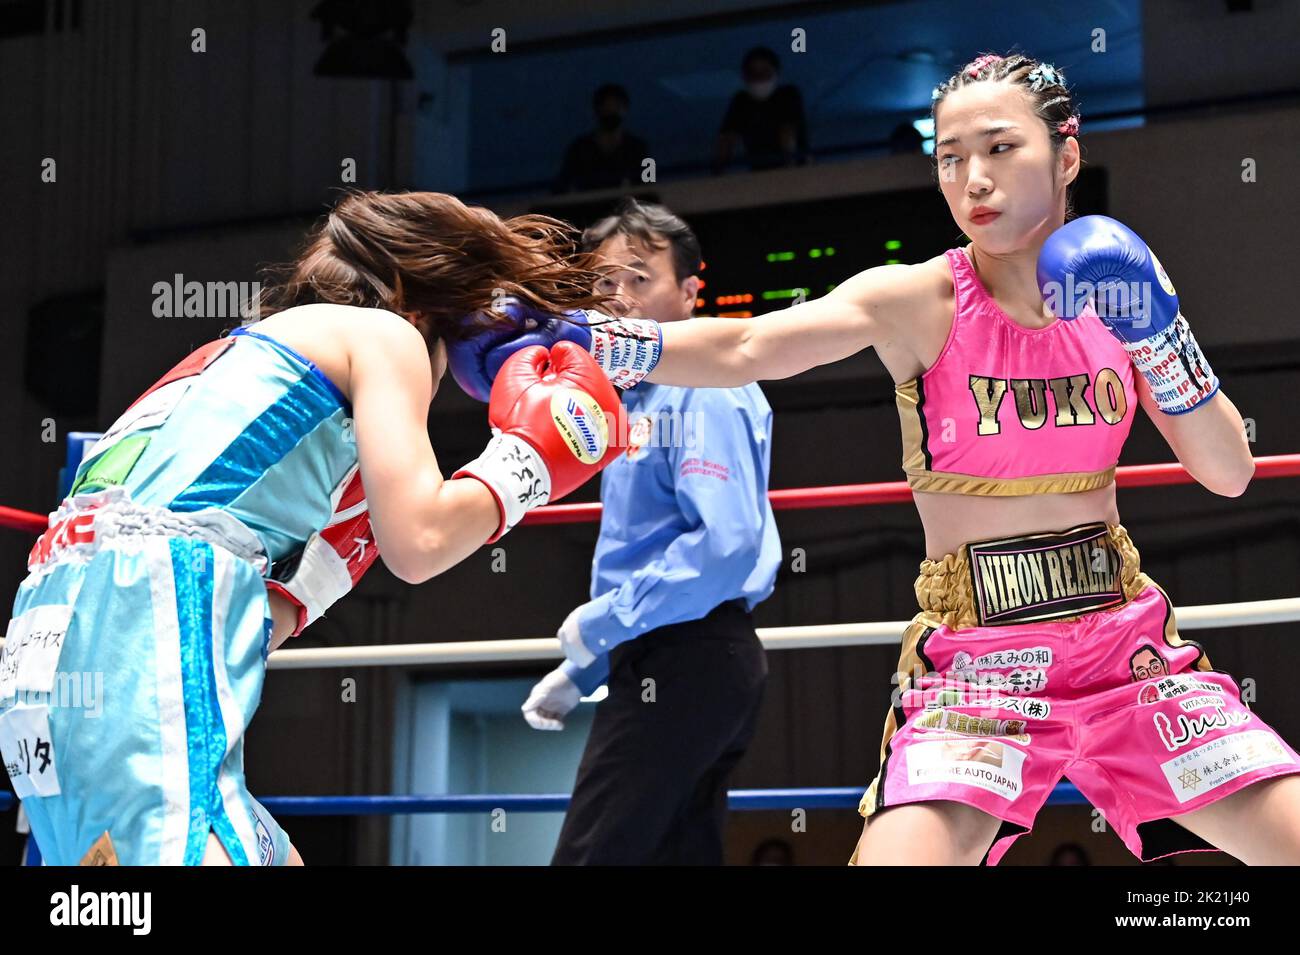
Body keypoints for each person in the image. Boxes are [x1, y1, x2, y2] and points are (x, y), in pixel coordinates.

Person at [447, 52, 1300, 866]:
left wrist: (1159, 331)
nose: (974, 180)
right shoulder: (920, 297)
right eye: (951, 157)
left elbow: (1226, 471)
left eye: (1002, 148)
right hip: (980, 664)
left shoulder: (1123, 291)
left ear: (1066, 153)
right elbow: (748, 346)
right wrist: (585, 334)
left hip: (1127, 652)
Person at [0, 190, 626, 865]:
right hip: (142, 613)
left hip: (50, 635)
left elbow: (255, 618)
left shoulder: (241, 370)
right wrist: (525, 462)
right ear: (419, 307)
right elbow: (420, 542)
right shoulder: (388, 337)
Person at [508, 199, 778, 865]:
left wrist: (604, 625)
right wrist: (587, 665)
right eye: (604, 283)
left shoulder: (703, 389)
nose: (619, 299)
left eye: (639, 279)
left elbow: (725, 544)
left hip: (689, 656)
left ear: (689, 293)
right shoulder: (632, 400)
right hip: (674, 657)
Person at [714, 47, 808, 173]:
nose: (759, 78)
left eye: (764, 72)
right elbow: (726, 140)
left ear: (776, 73)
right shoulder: (741, 102)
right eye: (753, 74)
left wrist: (791, 173)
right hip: (759, 176)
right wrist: (718, 174)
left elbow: (787, 133)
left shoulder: (788, 96)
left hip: (798, 173)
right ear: (745, 77)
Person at [555, 84, 650, 193]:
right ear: (597, 110)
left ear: (625, 109)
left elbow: (650, 183)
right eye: (606, 107)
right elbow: (561, 186)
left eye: (616, 106)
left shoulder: (640, 148)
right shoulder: (579, 149)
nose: (611, 111)